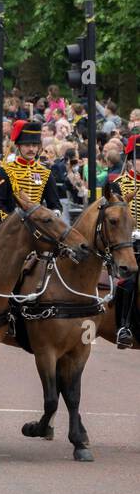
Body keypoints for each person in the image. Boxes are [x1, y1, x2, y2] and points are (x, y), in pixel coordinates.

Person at [0, 120, 62, 222]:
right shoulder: (4, 171)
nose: (31, 149)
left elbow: (55, 205)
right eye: (27, 145)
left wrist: (53, 215)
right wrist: (12, 222)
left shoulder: (45, 173)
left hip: (37, 226)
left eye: (34, 145)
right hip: (11, 227)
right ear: (18, 146)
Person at [109, 134, 140, 346]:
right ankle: (124, 326)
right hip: (127, 244)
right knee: (130, 281)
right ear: (130, 159)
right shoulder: (119, 184)